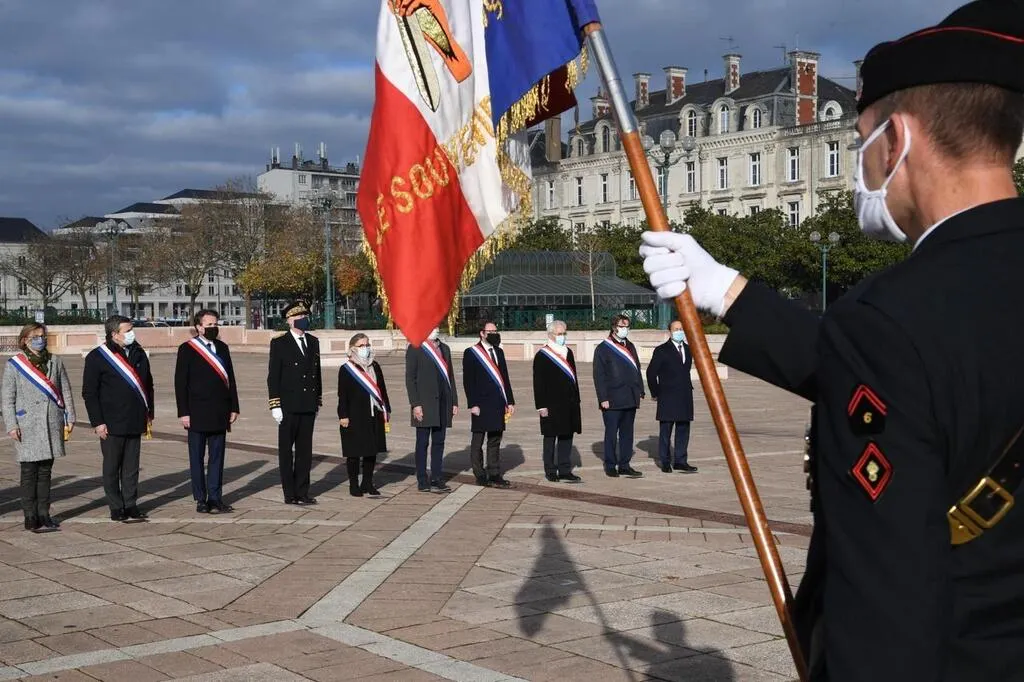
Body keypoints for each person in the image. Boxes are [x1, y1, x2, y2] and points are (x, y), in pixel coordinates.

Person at [639, 2, 1024, 678]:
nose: (859, 168)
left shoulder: (888, 318)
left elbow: (886, 613)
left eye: (860, 142)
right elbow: (932, 382)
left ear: (896, 140)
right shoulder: (902, 326)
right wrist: (728, 289)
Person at [2, 323, 75, 532]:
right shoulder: (15, 365)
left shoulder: (55, 361)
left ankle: (44, 514)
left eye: (42, 336)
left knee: (45, 472)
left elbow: (65, 390)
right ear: (24, 340)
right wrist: (11, 425)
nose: (40, 340)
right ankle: (30, 515)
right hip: (27, 424)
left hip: (51, 422)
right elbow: (7, 399)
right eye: (35, 336)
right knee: (29, 473)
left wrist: (70, 416)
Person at [82, 315, 154, 522]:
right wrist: (98, 422)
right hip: (111, 421)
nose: (132, 333)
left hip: (135, 418)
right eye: (127, 330)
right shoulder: (97, 357)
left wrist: (149, 413)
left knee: (131, 467)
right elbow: (89, 393)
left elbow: (148, 385)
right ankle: (116, 506)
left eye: (132, 329)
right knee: (112, 467)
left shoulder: (139, 353)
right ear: (114, 334)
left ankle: (130, 504)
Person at [174, 309, 240, 514]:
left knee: (217, 458)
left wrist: (234, 406)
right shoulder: (187, 348)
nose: (213, 327)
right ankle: (200, 498)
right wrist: (183, 412)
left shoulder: (222, 347)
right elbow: (180, 383)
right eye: (209, 324)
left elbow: (230, 379)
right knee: (196, 458)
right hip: (196, 412)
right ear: (199, 327)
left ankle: (215, 498)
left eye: (215, 324)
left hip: (219, 411)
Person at [267, 301, 322, 505]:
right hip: (288, 405)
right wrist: (275, 405)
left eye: (305, 316)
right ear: (289, 320)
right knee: (286, 452)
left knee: (304, 452)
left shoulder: (313, 341)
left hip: (307, 404)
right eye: (299, 317)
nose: (303, 320)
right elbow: (273, 376)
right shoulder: (280, 343)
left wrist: (317, 400)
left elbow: (316, 373)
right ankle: (289, 493)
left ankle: (302, 491)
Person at [405, 325, 458, 493]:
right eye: (432, 325)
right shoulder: (415, 347)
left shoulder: (445, 349)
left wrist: (454, 401)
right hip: (424, 404)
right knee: (422, 443)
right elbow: (410, 378)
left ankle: (436, 477)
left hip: (443, 403)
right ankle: (422, 478)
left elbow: (450, 377)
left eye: (437, 326)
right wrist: (415, 404)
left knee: (439, 442)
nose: (436, 329)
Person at [463, 320, 515, 487]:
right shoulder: (471, 352)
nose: (494, 334)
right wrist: (473, 403)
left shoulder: (499, 352)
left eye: (495, 331)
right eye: (490, 332)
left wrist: (510, 401)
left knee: (495, 439)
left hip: (498, 402)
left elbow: (505, 378)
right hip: (481, 403)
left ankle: (494, 473)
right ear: (482, 333)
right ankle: (479, 474)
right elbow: (468, 381)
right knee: (478, 440)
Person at [338, 334, 391, 497]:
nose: (365, 348)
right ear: (353, 348)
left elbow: (382, 389)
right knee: (354, 452)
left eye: (367, 345)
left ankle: (367, 483)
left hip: (374, 413)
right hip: (354, 415)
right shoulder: (347, 369)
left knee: (371, 451)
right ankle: (353, 484)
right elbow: (342, 395)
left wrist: (387, 409)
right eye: (361, 345)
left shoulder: (375, 366)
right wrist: (343, 415)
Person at [592, 314, 644, 478]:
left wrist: (640, 389)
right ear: (614, 327)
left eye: (627, 326)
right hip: (612, 399)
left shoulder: (631, 346)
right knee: (611, 434)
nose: (625, 329)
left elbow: (636, 368)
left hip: (630, 396)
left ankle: (624, 465)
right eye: (622, 326)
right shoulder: (603, 348)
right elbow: (599, 376)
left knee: (627, 434)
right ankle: (610, 465)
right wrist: (603, 398)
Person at [532, 320, 582, 483]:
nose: (563, 336)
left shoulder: (568, 352)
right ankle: (550, 470)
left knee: (567, 435)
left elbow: (573, 378)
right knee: (550, 437)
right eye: (560, 334)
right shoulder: (542, 355)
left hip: (569, 402)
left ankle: (565, 469)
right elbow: (538, 383)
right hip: (551, 404)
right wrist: (541, 406)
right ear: (551, 335)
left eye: (564, 333)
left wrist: (576, 399)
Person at [645, 321, 698, 474]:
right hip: (667, 396)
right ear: (670, 331)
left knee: (683, 429)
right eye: (676, 329)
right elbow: (651, 373)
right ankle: (665, 462)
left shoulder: (688, 349)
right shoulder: (662, 350)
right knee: (666, 430)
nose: (679, 331)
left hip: (684, 395)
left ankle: (681, 461)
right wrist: (655, 393)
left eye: (681, 329)